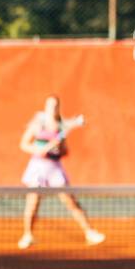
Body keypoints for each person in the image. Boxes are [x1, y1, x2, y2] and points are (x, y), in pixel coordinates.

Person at [16, 95, 105, 250]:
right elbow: (23, 144)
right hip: (38, 167)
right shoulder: (38, 124)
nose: (52, 108)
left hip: (54, 168)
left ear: (58, 108)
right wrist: (39, 150)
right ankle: (28, 235)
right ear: (45, 107)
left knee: (70, 201)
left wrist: (59, 147)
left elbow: (65, 152)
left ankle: (89, 232)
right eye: (49, 105)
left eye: (55, 105)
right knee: (33, 202)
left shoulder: (61, 126)